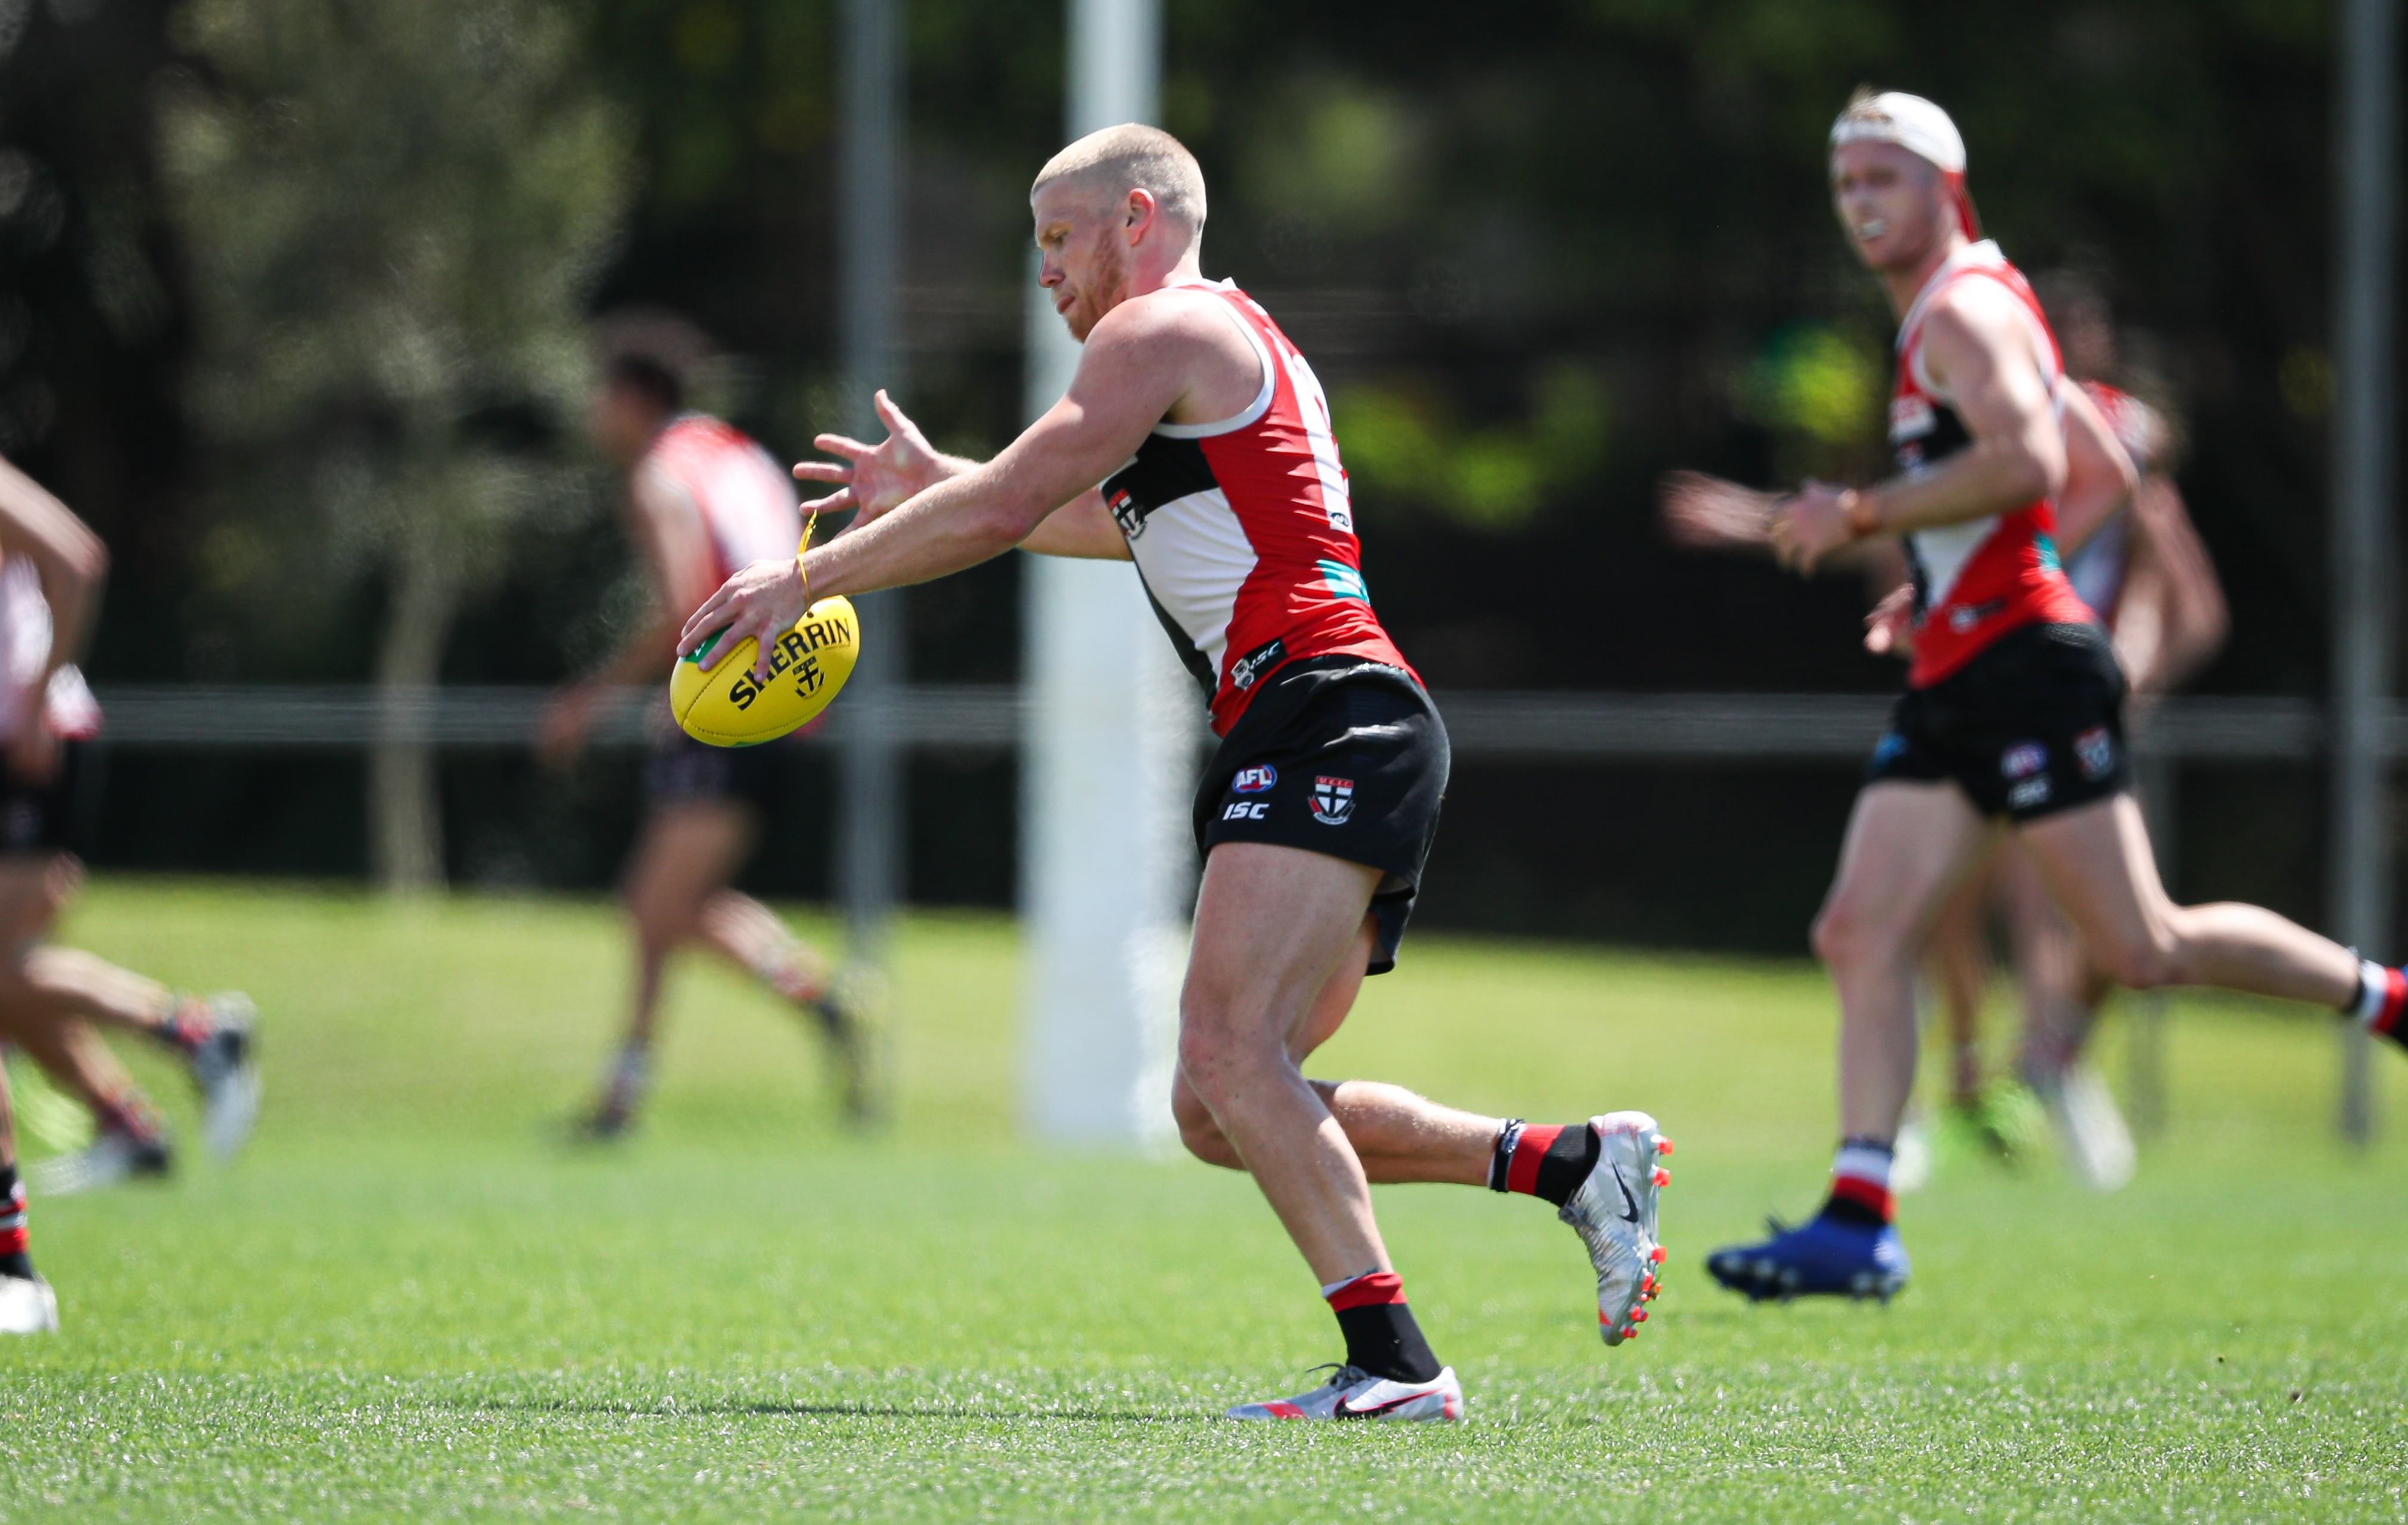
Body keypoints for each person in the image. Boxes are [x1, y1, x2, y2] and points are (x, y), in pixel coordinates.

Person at [679, 125, 1672, 1423]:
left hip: (1326, 712)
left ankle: (1396, 1364)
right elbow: (1104, 513)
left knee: (1222, 1042)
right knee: (1218, 1103)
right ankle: (1568, 1162)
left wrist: (798, 575)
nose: (1042, 270)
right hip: (1329, 717)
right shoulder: (1228, 339)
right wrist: (954, 483)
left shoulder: (1152, 334)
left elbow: (1008, 507)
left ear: (1135, 218)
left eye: (1054, 236)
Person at [1701, 91, 2407, 1304]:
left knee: (2140, 947)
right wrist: (1938, 589)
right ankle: (1858, 1213)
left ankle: (2385, 996)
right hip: (1961, 665)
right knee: (1858, 927)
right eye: (1845, 182)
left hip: (2025, 668)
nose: (1860, 200)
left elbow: (2033, 464)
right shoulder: (1972, 299)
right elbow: (2102, 469)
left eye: (1883, 176)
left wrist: (1859, 515)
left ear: (1944, 187)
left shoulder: (1961, 311)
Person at [1918, 279, 2230, 1190]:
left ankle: (2048, 1061)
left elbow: (2179, 600)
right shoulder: (1984, 437)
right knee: (1937, 891)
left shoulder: (2125, 455)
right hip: (1993, 695)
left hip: (2063, 701)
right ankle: (1976, 1083)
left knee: (2093, 919)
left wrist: (2119, 673)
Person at [540, 313, 870, 1138]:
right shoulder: (735, 449)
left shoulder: (657, 475)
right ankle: (820, 997)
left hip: (732, 700)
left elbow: (686, 606)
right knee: (669, 903)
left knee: (652, 903)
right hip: (791, 696)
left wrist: (595, 697)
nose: (590, 410)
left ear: (633, 395)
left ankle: (623, 1093)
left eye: (598, 392)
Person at [0, 458, 257, 1198]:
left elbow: (76, 560)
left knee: (5, 968)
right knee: (9, 978)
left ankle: (199, 1034)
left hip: (34, 741)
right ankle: (128, 1125)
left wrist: (39, 694)